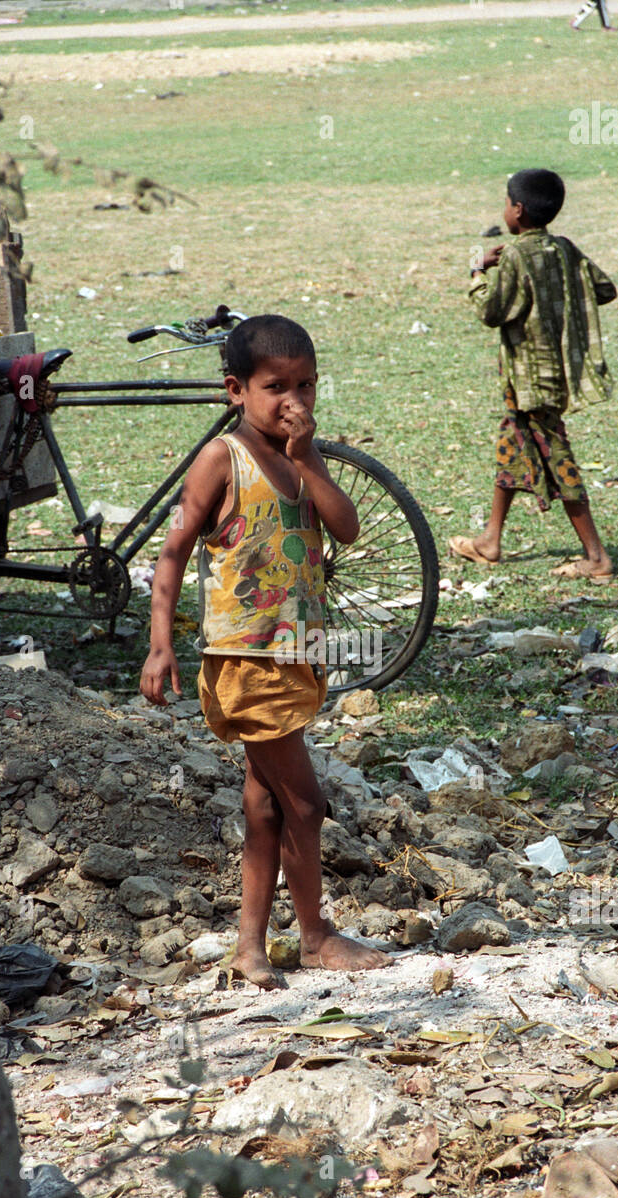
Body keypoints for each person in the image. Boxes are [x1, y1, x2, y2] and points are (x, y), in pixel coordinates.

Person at [140, 315, 392, 989]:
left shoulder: (301, 460)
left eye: (306, 385)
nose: (295, 401)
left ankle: (250, 946)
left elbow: (348, 527)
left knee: (265, 804)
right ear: (235, 390)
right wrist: (161, 644)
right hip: (246, 662)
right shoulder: (225, 459)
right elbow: (172, 552)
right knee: (304, 804)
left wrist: (309, 460)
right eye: (276, 386)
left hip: (295, 657)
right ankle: (315, 937)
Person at [448, 168, 617, 582]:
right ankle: (490, 540)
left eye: (506, 203)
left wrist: (476, 272)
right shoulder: (565, 251)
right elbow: (604, 289)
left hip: (531, 383)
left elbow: (491, 311)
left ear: (517, 210)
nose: (504, 210)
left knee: (559, 459)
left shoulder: (518, 256)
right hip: (546, 379)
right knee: (511, 446)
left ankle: (596, 556)